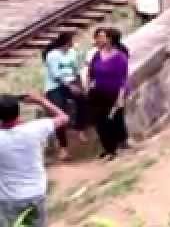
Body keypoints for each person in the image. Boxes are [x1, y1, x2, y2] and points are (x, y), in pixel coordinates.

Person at [0, 92, 69, 227]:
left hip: (9, 199)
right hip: (36, 194)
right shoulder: (35, 129)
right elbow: (64, 117)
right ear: (18, 111)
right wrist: (41, 101)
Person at [86, 28, 129, 160]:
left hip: (112, 94)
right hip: (97, 93)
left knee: (110, 120)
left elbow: (123, 79)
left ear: (111, 39)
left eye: (106, 37)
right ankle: (107, 148)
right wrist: (89, 86)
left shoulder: (120, 57)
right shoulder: (97, 55)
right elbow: (91, 72)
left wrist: (120, 97)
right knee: (99, 122)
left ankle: (113, 148)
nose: (102, 40)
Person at [41, 33, 83, 161]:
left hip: (70, 84)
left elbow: (76, 71)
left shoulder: (72, 53)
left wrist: (79, 86)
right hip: (55, 87)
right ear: (66, 42)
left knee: (83, 100)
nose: (73, 43)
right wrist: (70, 86)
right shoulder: (52, 55)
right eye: (72, 41)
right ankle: (63, 148)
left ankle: (79, 128)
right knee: (59, 115)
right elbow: (56, 75)